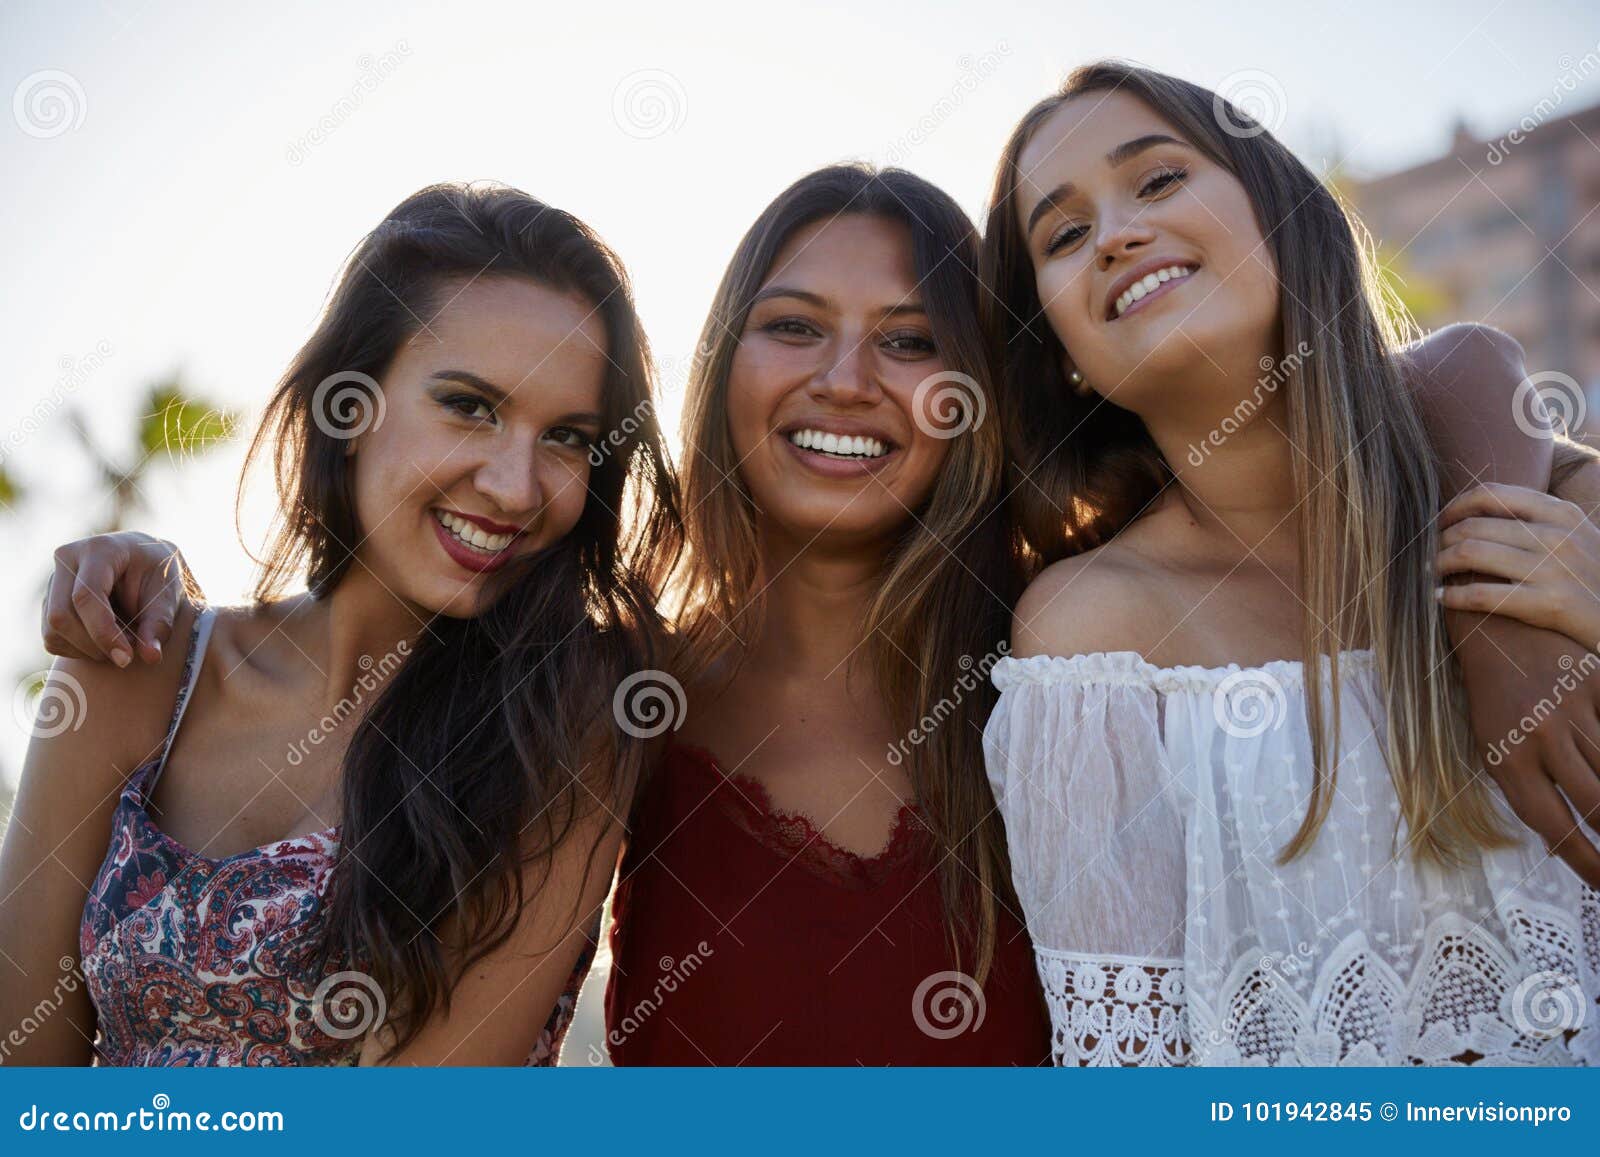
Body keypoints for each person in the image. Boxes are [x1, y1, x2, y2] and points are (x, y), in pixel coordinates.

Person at [979, 60, 1600, 1065]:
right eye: (1062, 234)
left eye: (1157, 180)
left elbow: (1471, 365)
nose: (1118, 234)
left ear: (1278, 210)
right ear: (1056, 350)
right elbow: (1131, 1078)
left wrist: (1513, 617)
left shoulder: (1548, 503)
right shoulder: (1089, 639)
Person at [0, 182, 681, 1065]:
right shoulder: (133, 663)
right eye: (470, 406)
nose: (516, 488)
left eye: (568, 439)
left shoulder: (570, 718)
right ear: (349, 406)